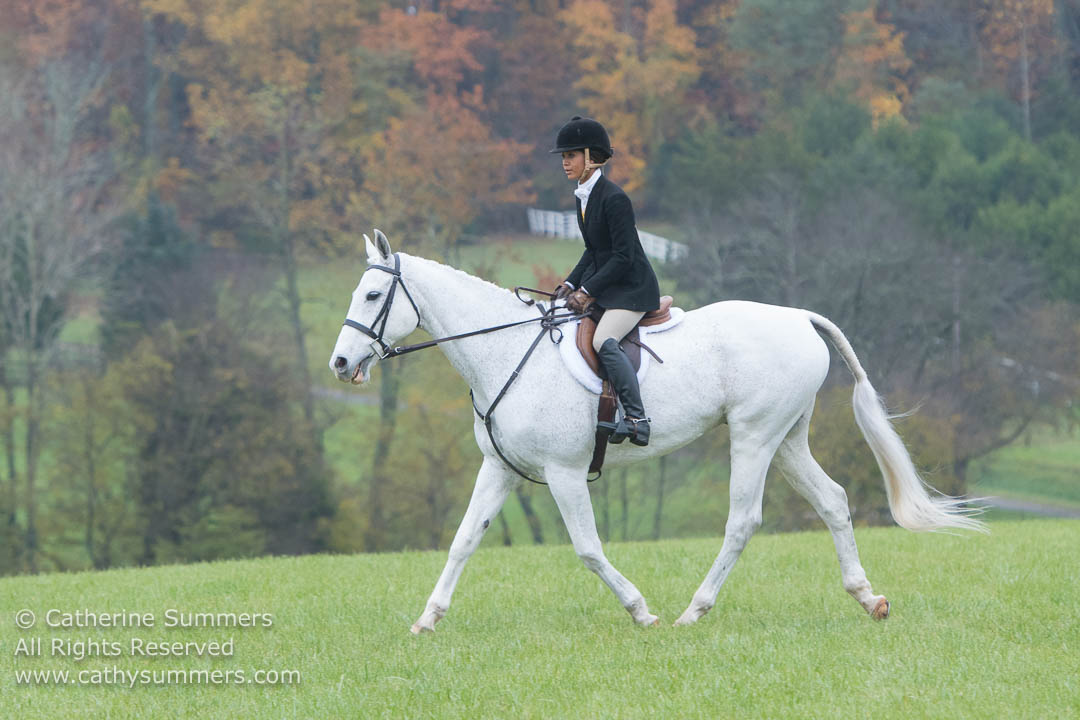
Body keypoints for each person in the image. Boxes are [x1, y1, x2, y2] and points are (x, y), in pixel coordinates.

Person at [550, 116, 660, 447]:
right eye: (564, 157)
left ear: (590, 157)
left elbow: (623, 257)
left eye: (571, 155)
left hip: (632, 290)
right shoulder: (583, 196)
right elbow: (594, 252)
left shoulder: (614, 199)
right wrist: (570, 284)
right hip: (611, 287)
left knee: (602, 340)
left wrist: (587, 291)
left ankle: (637, 419)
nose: (565, 163)